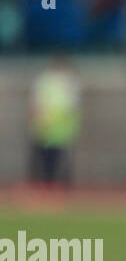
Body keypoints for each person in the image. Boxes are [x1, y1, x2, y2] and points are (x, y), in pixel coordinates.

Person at [28, 56, 81, 189]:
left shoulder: (52, 82)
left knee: (52, 159)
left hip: (54, 128)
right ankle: (48, 184)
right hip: (52, 128)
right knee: (49, 159)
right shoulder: (62, 82)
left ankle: (50, 184)